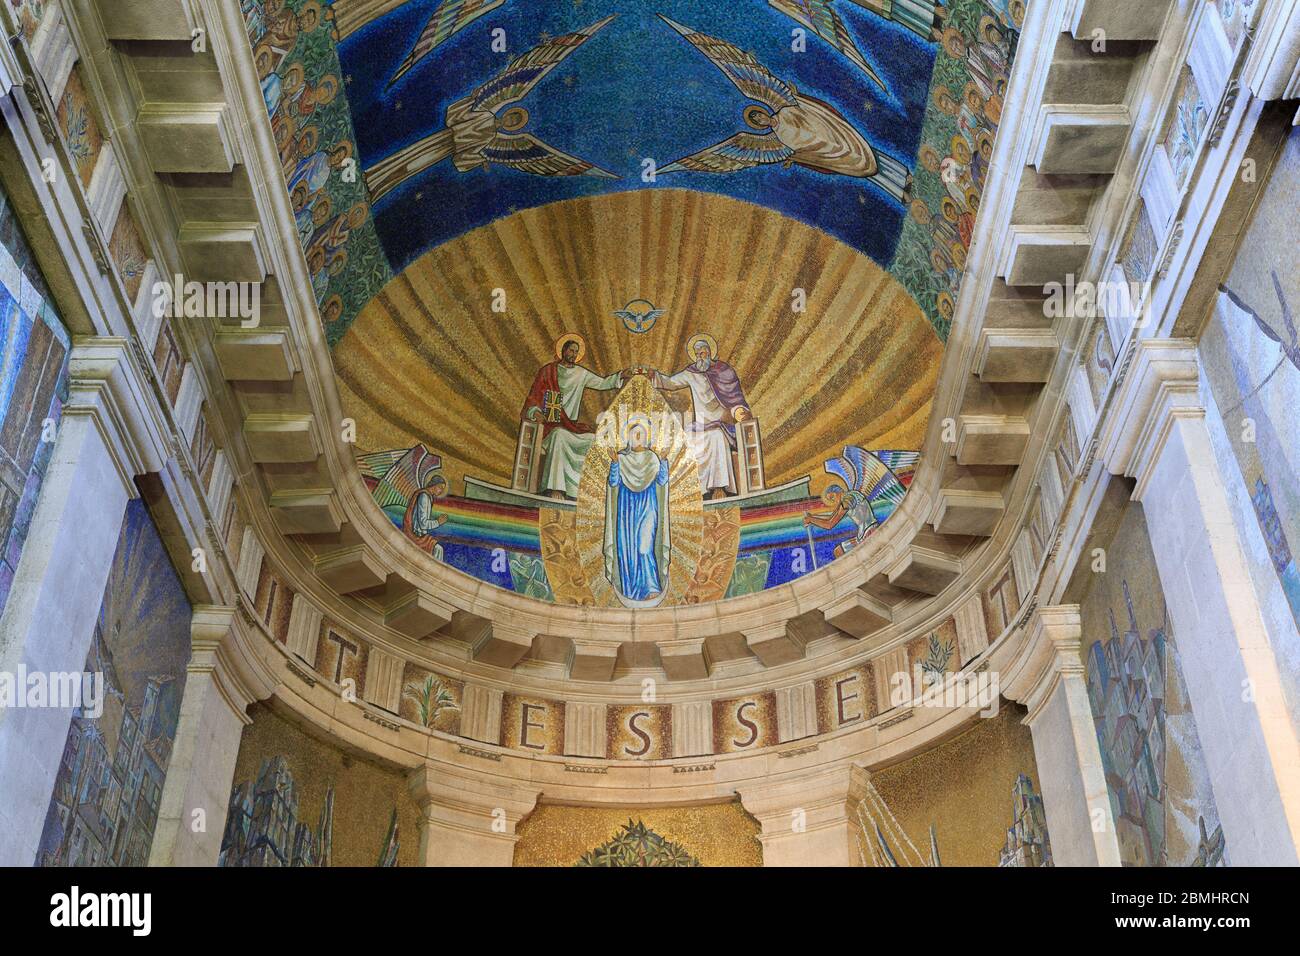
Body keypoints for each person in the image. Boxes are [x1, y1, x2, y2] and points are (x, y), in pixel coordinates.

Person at [522, 334, 624, 499]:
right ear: (563, 350)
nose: (573, 354)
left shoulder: (581, 374)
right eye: (571, 350)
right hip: (550, 427)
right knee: (559, 435)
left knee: (592, 439)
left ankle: (580, 491)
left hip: (571, 427)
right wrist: (536, 412)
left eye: (576, 352)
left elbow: (603, 383)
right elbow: (533, 398)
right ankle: (555, 489)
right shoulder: (548, 371)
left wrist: (621, 375)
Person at [651, 334, 750, 499]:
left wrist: (739, 410)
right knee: (688, 439)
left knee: (716, 437)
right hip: (701, 425)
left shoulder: (724, 372)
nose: (699, 356)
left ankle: (720, 489)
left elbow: (735, 398)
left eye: (702, 352)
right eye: (696, 353)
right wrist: (652, 376)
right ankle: (698, 491)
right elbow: (669, 382)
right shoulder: (692, 372)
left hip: (722, 425)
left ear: (710, 352)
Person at [604, 419, 670, 604]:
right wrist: (615, 462)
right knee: (628, 552)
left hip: (647, 507)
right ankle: (631, 591)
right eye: (635, 434)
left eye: (641, 434)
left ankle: (651, 588)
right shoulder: (623, 458)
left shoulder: (652, 458)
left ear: (647, 437)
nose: (638, 437)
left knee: (644, 548)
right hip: (627, 512)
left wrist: (663, 460)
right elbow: (614, 482)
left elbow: (662, 480)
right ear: (629, 438)